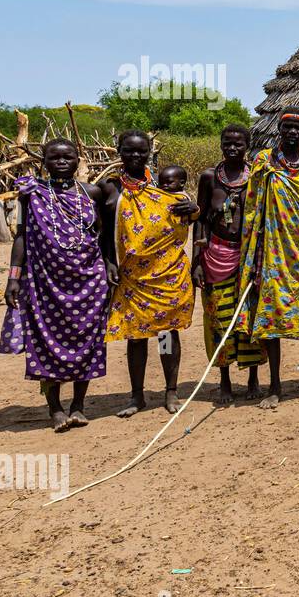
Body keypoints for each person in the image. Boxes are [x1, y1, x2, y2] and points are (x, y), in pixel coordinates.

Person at [0, 139, 111, 431]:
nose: (62, 161)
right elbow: (21, 236)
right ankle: (55, 408)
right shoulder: (32, 193)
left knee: (87, 341)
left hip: (88, 280)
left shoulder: (92, 193)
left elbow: (104, 236)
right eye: (54, 157)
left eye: (68, 156)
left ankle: (78, 406)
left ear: (78, 160)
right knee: (46, 342)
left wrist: (107, 268)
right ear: (43, 161)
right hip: (44, 282)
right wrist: (14, 277)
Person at [235, 108, 299, 407]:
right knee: (272, 316)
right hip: (274, 253)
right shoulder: (264, 162)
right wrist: (255, 254)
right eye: (287, 127)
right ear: (279, 129)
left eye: (298, 128)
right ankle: (274, 385)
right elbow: (253, 208)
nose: (292, 132)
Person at [102, 131, 199, 417]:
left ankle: (171, 391)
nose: (135, 156)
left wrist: (194, 209)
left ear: (149, 152)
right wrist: (108, 261)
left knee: (167, 333)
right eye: (129, 151)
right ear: (118, 151)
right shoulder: (110, 189)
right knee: (136, 336)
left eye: (141, 151)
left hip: (168, 274)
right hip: (132, 276)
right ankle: (137, 395)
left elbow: (190, 215)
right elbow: (103, 231)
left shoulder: (165, 187)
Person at [192, 125, 265, 405]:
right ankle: (224, 380)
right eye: (227, 143)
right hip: (215, 256)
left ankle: (253, 378)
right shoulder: (209, 178)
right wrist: (196, 261)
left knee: (248, 318)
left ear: (247, 145)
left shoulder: (255, 178)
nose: (232, 148)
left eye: (238, 143)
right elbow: (200, 218)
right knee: (219, 320)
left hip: (247, 256)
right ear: (220, 144)